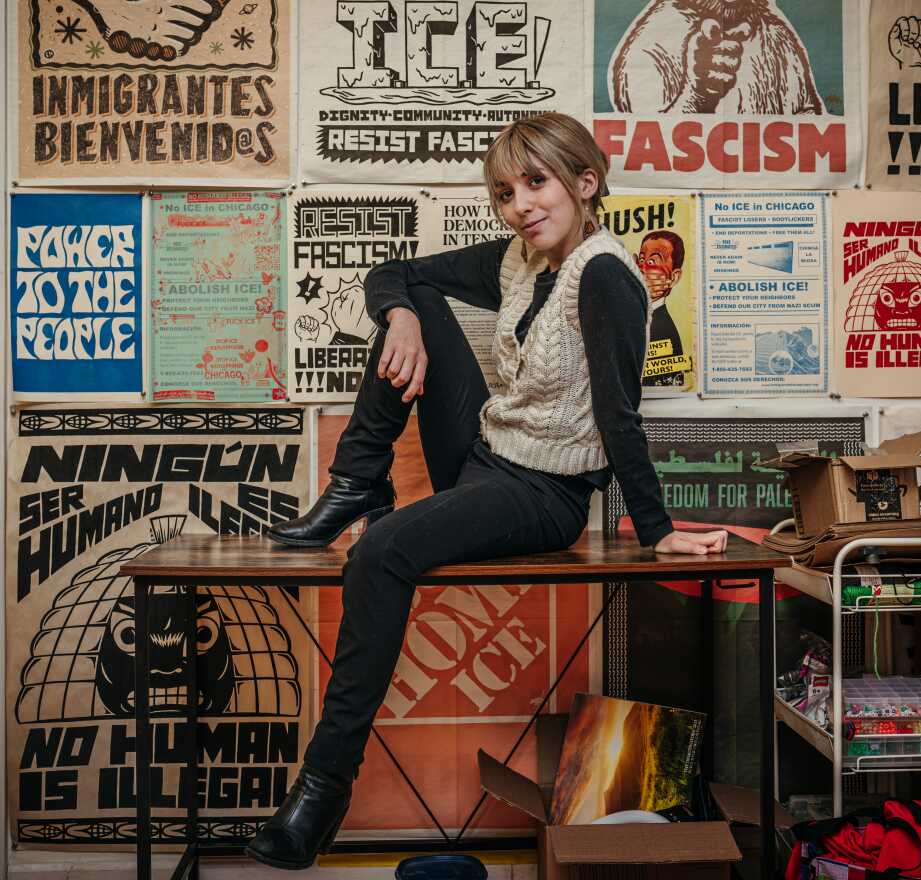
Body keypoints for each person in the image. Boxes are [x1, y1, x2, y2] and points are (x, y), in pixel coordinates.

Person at [246, 112, 728, 871]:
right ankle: (355, 481)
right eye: (505, 191)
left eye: (536, 184)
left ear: (584, 183)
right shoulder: (517, 260)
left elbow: (617, 412)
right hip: (484, 454)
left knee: (382, 555)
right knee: (415, 307)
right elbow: (395, 275)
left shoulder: (604, 274)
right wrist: (401, 319)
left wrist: (655, 525)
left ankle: (322, 788)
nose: (520, 205)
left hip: (543, 495)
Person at [636, 229, 687, 387]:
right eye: (641, 259)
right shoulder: (642, 316)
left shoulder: (661, 331)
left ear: (673, 277)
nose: (642, 268)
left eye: (652, 263)